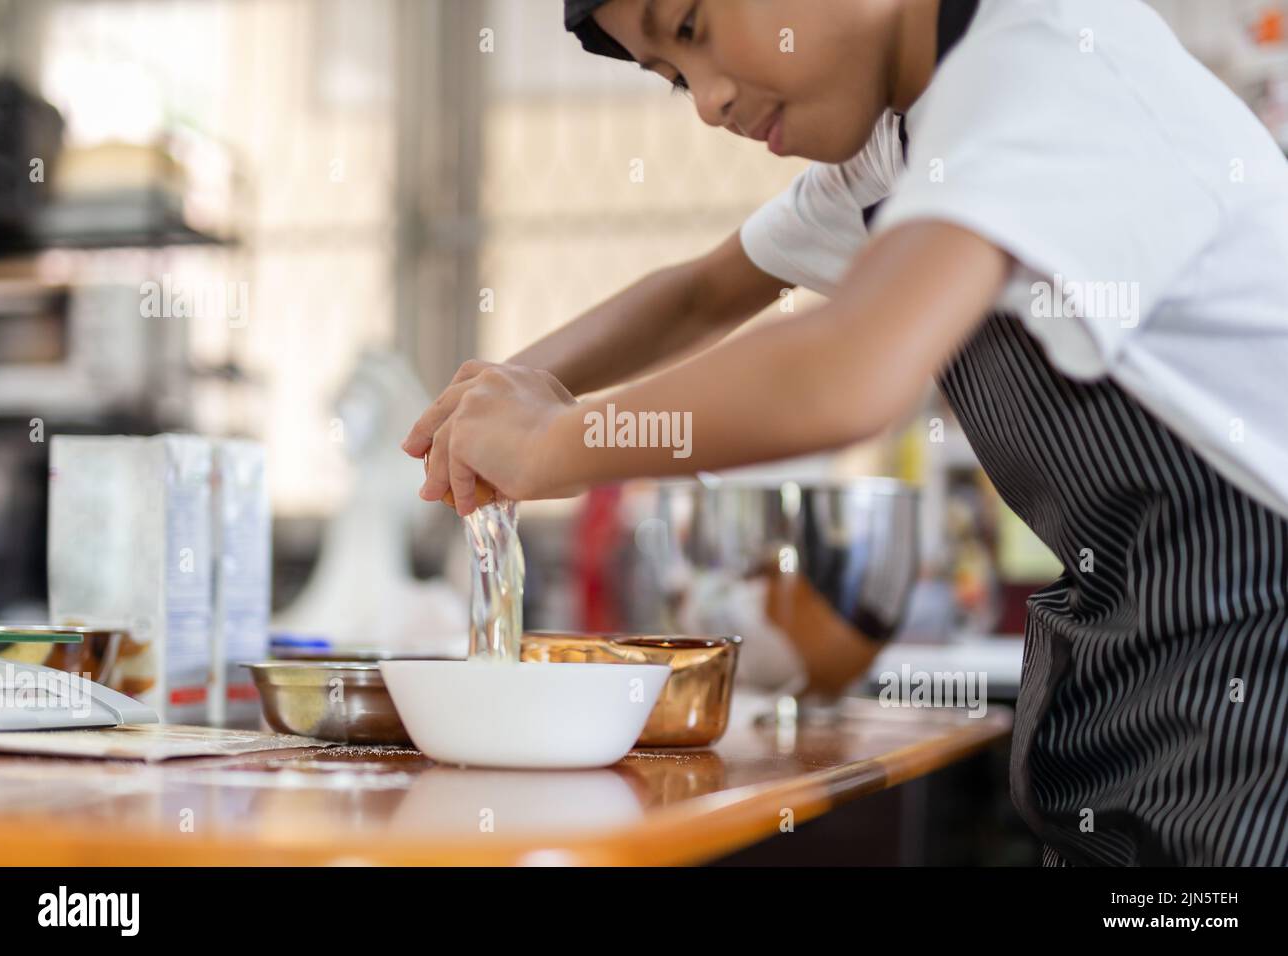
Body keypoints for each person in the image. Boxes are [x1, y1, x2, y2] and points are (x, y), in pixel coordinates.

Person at [402, 0, 1288, 866]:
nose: (708, 101)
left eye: (691, 28)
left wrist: (555, 442)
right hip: (1140, 676)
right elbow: (701, 294)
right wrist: (496, 394)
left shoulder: (1047, 63)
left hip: (1253, 675)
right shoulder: (902, 143)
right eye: (674, 78)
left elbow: (843, 369)